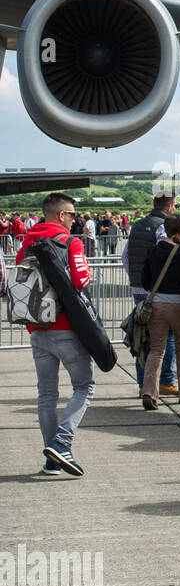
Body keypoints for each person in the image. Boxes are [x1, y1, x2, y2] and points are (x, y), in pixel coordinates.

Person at [18, 193, 95, 477]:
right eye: (73, 215)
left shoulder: (27, 241)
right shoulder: (70, 241)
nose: (75, 219)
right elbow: (81, 279)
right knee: (85, 386)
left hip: (37, 328)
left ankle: (52, 459)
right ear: (61, 216)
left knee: (47, 395)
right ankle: (62, 443)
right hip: (66, 327)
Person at [140, 215, 180, 409]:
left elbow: (145, 281)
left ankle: (149, 391)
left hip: (157, 304)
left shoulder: (153, 251)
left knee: (156, 350)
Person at [126, 193, 178, 396]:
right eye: (174, 205)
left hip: (138, 288)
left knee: (143, 336)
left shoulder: (137, 225)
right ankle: (166, 380)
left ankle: (143, 385)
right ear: (169, 207)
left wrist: (136, 279)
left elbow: (126, 256)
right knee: (168, 335)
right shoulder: (164, 226)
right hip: (159, 290)